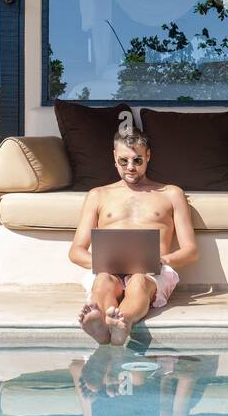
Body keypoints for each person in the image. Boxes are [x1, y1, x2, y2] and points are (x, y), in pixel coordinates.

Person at [70, 127, 199, 345]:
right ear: (114, 157)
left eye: (137, 160)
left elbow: (191, 251)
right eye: (124, 161)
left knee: (138, 280)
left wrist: (162, 260)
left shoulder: (171, 194)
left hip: (152, 271)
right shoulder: (98, 195)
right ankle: (102, 326)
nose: (130, 167)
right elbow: (76, 250)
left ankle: (123, 321)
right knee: (103, 280)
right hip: (107, 270)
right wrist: (101, 263)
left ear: (148, 156)